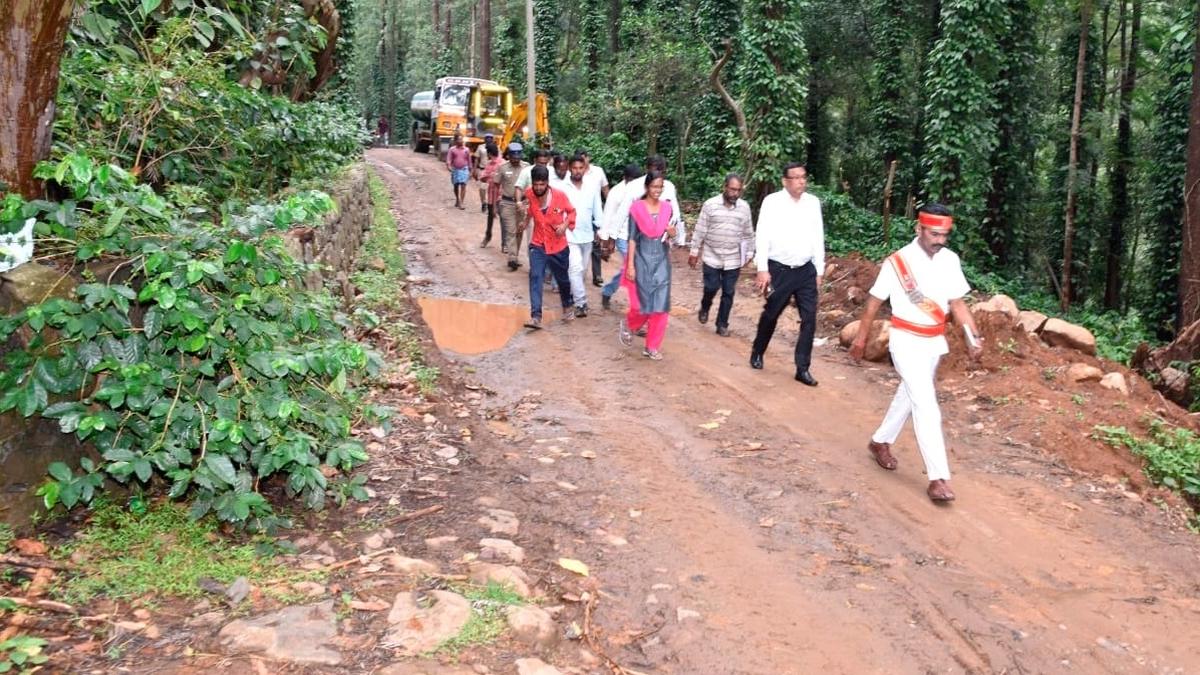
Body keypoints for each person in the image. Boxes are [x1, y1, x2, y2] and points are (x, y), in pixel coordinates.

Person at [849, 204, 983, 503]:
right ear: (918, 229)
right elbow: (872, 304)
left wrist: (972, 336)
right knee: (925, 403)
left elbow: (957, 304)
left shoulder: (950, 260)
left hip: (933, 343)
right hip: (905, 341)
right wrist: (860, 338)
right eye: (934, 233)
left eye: (945, 235)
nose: (940, 240)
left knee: (910, 394)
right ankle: (938, 478)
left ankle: (880, 440)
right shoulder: (898, 262)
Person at [749, 162, 825, 387]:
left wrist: (819, 269)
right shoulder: (772, 202)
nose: (801, 181)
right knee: (772, 313)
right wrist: (762, 268)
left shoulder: (812, 203)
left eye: (804, 177)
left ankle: (803, 368)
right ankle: (758, 350)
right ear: (785, 181)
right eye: (796, 177)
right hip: (778, 269)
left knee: (809, 318)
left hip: (805, 270)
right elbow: (762, 235)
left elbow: (817, 236)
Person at [618, 171, 676, 360]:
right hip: (640, 258)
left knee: (660, 306)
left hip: (660, 258)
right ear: (647, 187)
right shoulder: (637, 208)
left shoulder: (667, 208)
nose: (657, 190)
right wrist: (631, 267)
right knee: (640, 305)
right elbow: (632, 239)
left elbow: (669, 235)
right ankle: (630, 324)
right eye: (654, 187)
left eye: (660, 187)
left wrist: (672, 232)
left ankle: (651, 346)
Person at [689, 173, 754, 337]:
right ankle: (705, 306)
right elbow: (701, 228)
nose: (735, 194)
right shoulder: (710, 205)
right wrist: (694, 250)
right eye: (732, 190)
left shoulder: (744, 208)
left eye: (738, 190)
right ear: (725, 187)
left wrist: (750, 252)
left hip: (733, 257)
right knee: (711, 287)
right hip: (712, 255)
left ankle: (722, 324)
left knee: (729, 292)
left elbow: (748, 233)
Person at [520, 166, 576, 330]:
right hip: (538, 244)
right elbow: (530, 208)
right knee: (535, 277)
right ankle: (536, 316)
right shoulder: (529, 193)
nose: (538, 188)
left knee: (563, 280)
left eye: (542, 184)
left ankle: (567, 305)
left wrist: (565, 225)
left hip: (558, 245)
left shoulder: (559, 196)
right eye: (536, 184)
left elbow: (572, 212)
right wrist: (524, 220)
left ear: (547, 183)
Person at [560, 154, 604, 317]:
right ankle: (581, 303)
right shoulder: (562, 188)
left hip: (587, 235)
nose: (577, 171)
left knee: (583, 271)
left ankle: (574, 294)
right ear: (569, 169)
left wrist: (600, 229)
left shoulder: (592, 186)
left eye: (580, 168)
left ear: (585, 169)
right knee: (575, 267)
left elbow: (597, 209)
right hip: (569, 235)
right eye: (574, 168)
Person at [598, 163, 645, 310]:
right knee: (635, 268)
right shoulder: (616, 193)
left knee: (630, 268)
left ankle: (608, 290)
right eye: (632, 180)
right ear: (625, 178)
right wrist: (606, 241)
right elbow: (608, 216)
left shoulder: (644, 189)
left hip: (640, 236)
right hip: (622, 236)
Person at [492, 143, 530, 268]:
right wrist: (494, 204)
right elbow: (496, 186)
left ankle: (515, 256)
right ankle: (512, 257)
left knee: (519, 231)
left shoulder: (526, 167)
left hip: (523, 204)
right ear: (509, 155)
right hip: (507, 203)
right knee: (510, 230)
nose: (516, 158)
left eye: (518, 156)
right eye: (513, 156)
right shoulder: (502, 167)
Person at [478, 143, 504, 247]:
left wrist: (491, 177)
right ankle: (487, 236)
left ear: (489, 153)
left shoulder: (502, 164)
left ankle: (504, 243)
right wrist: (489, 177)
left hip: (501, 194)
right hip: (491, 194)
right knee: (490, 216)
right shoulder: (489, 164)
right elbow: (483, 177)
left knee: (503, 218)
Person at [446, 134, 473, 210]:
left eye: (461, 139)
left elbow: (469, 160)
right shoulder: (452, 149)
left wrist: (471, 171)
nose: (460, 141)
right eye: (459, 139)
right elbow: (449, 159)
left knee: (463, 185)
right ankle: (457, 199)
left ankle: (461, 202)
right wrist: (448, 166)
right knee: (456, 185)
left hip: (464, 169)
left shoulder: (466, 150)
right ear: (455, 141)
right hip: (455, 169)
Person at [474, 133, 495, 213]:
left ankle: (491, 205)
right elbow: (476, 159)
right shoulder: (480, 147)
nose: (489, 139)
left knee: (492, 188)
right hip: (483, 170)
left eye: (490, 138)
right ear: (484, 139)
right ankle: (483, 202)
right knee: (482, 188)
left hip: (492, 171)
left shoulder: (495, 147)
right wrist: (475, 169)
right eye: (487, 138)